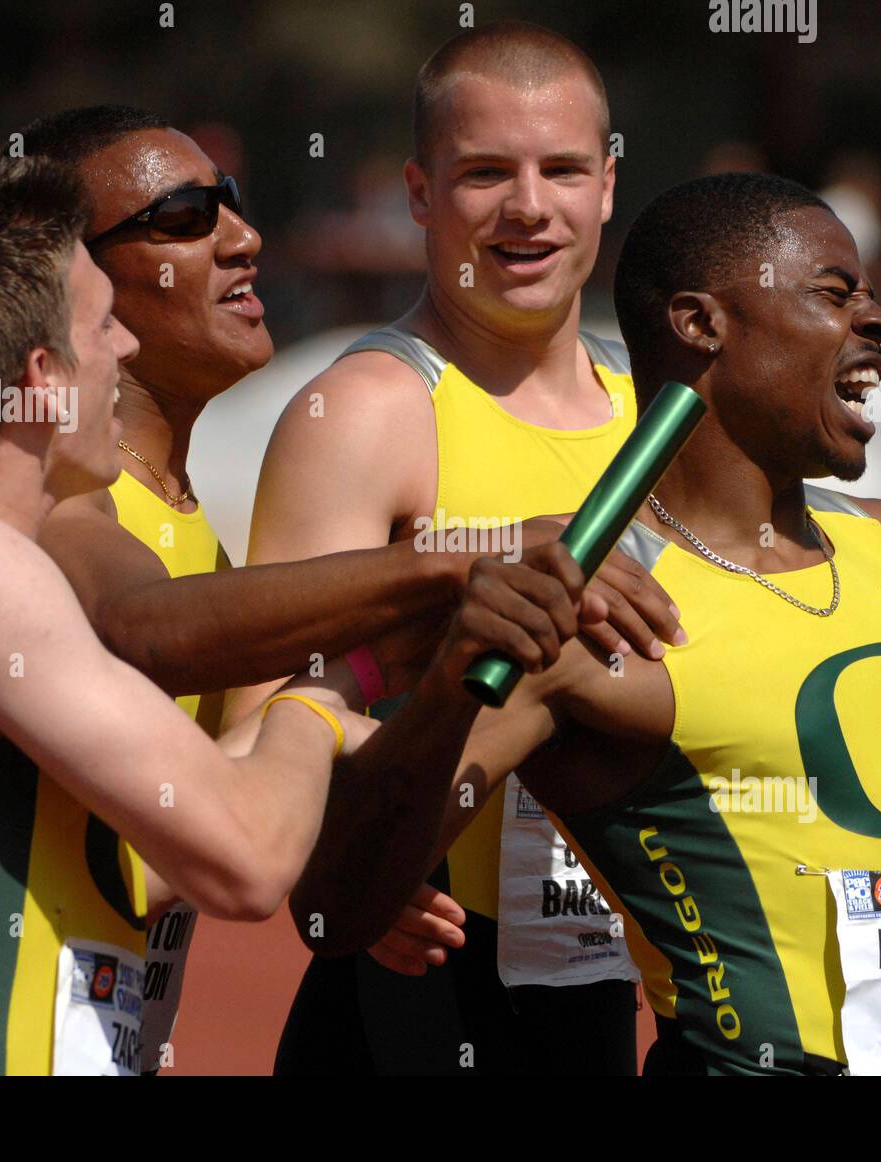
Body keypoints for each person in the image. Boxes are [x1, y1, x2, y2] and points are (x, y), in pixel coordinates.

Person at [291, 172, 881, 1076]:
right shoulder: (595, 605)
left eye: (874, 295)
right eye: (835, 294)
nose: (878, 321)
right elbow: (335, 903)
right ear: (700, 324)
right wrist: (454, 673)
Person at [0, 153, 583, 1076]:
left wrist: (365, 674)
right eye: (103, 327)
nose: (128, 350)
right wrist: (329, 693)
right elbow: (246, 856)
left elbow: (153, 855)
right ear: (41, 376)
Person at [17, 103, 667, 1072]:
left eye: (231, 204)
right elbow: (148, 636)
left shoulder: (189, 535)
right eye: (185, 216)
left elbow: (235, 783)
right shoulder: (47, 503)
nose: (244, 238)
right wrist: (456, 568)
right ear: (70, 281)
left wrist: (380, 816)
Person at [236, 21, 686, 1075]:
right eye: (485, 172)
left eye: (562, 169)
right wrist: (365, 852)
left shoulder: (656, 419)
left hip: (630, 974)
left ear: (608, 184)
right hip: (423, 978)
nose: (528, 207)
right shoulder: (363, 412)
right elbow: (261, 720)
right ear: (418, 191)